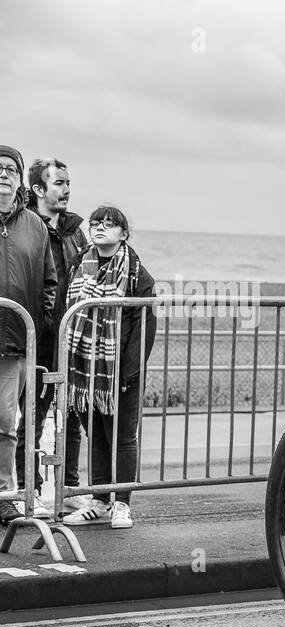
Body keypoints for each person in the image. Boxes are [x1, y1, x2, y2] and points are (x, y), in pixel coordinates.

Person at [60, 206, 156, 530]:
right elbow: (65, 310)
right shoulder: (78, 265)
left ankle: (122, 504)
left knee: (124, 437)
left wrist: (128, 372)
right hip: (85, 371)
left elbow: (144, 327)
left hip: (122, 371)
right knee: (97, 435)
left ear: (123, 234)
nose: (100, 227)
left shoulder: (136, 274)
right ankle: (100, 499)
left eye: (109, 224)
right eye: (96, 223)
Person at [19, 158, 90, 517]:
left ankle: (70, 487)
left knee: (72, 414)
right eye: (58, 183)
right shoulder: (28, 226)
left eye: (67, 182)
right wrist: (45, 320)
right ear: (38, 190)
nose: (66, 189)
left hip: (73, 337)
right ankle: (26, 490)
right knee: (32, 414)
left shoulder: (77, 230)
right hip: (41, 336)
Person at [0, 144, 56, 527]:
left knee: (6, 426)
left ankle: (4, 496)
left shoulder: (35, 226)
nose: (3, 174)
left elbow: (50, 281)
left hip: (16, 344)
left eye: (10, 169)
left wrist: (42, 320)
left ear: (20, 179)